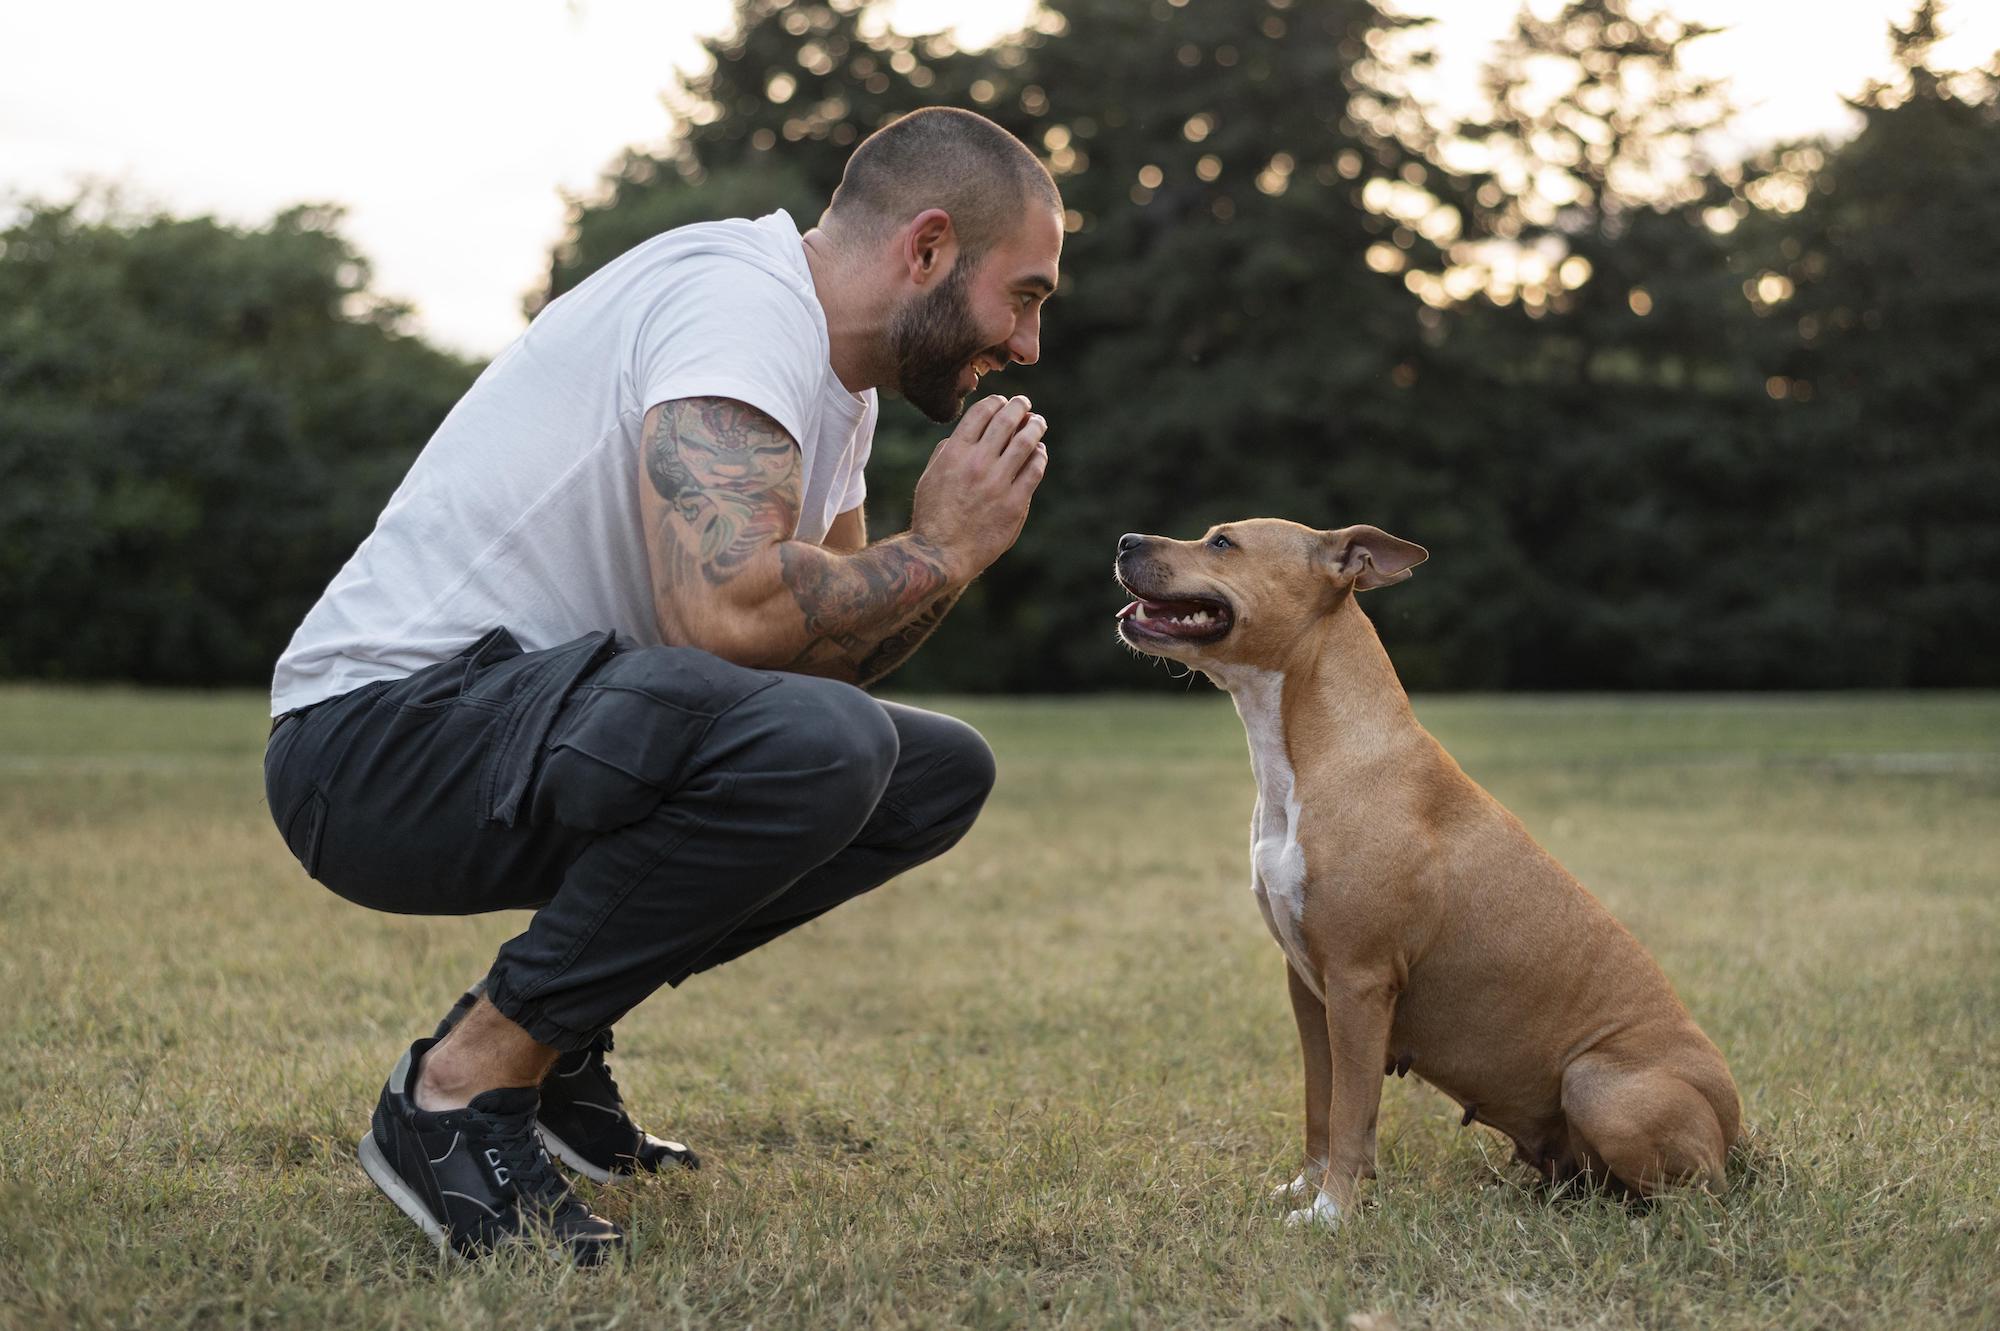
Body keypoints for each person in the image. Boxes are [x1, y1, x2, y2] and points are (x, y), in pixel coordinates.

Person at [262, 107, 1062, 1263]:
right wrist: (937, 548)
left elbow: (803, 650)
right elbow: (727, 612)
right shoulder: (738, 308)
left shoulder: (844, 390)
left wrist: (945, 558)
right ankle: (456, 1093)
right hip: (377, 738)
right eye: (1024, 294)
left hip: (526, 727)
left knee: (928, 769)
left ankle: (555, 1044)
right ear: (927, 248)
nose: (1026, 344)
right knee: (825, 743)